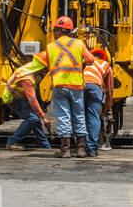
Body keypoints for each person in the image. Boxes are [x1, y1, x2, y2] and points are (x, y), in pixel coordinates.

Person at [27, 16, 95, 158]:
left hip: (59, 86)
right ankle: (81, 149)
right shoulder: (79, 44)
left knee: (63, 117)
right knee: (79, 116)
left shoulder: (50, 47)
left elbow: (44, 64)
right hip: (76, 86)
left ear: (58, 31)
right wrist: (80, 63)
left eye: (55, 30)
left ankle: (65, 150)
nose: (54, 33)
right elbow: (91, 60)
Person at [1, 63, 51, 150]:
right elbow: (32, 99)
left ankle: (45, 146)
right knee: (33, 119)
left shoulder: (32, 72)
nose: (46, 72)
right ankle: (11, 142)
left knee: (35, 120)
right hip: (13, 99)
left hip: (21, 98)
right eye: (45, 70)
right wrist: (43, 117)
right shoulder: (27, 79)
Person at [83, 46, 116, 155]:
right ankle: (91, 149)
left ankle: (80, 147)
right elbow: (109, 89)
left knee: (80, 117)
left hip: (80, 86)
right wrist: (108, 105)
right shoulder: (105, 65)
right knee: (93, 116)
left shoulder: (84, 63)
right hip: (95, 88)